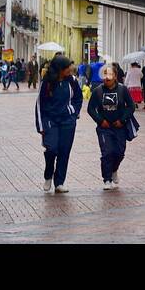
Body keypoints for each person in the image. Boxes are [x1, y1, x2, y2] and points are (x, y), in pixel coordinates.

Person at [35, 54, 83, 194]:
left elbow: (78, 98)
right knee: (51, 149)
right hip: (50, 121)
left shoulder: (72, 81)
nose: (70, 69)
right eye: (67, 67)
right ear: (59, 69)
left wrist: (73, 113)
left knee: (64, 152)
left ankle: (59, 182)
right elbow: (39, 104)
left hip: (68, 122)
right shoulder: (47, 82)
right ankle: (48, 174)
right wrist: (41, 126)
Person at [87, 63, 137, 190]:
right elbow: (90, 109)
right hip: (104, 128)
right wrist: (100, 120)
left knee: (119, 153)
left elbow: (131, 106)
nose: (107, 78)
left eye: (110, 75)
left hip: (120, 127)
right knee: (107, 152)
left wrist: (122, 119)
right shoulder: (97, 91)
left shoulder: (122, 89)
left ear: (115, 76)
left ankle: (114, 169)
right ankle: (107, 179)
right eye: (105, 75)